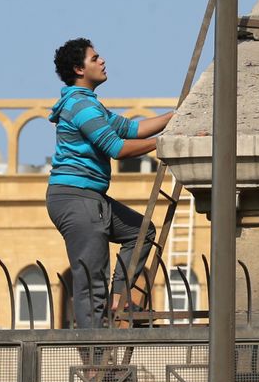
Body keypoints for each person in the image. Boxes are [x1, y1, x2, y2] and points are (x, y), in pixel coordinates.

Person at [46, 37, 174, 328]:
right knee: (91, 285)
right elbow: (115, 147)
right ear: (79, 69)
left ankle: (119, 298)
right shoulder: (79, 106)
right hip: (77, 198)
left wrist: (177, 116)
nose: (102, 61)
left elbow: (133, 128)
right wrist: (165, 142)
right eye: (95, 58)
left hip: (91, 198)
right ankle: (95, 361)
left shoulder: (90, 105)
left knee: (141, 232)